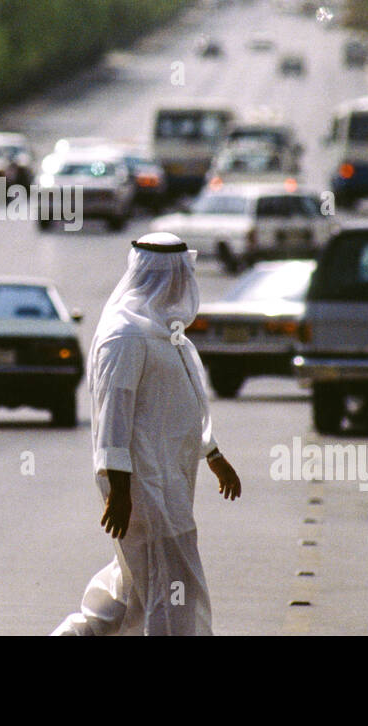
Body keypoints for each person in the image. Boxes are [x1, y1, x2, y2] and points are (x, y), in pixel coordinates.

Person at [52, 233, 241, 636]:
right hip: (145, 488)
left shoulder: (162, 333)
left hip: (169, 481)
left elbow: (183, 400)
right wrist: (120, 490)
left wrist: (212, 453)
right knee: (174, 588)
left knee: (130, 593)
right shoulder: (125, 336)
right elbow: (112, 415)